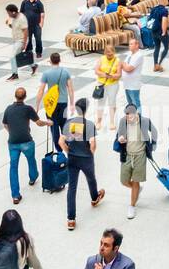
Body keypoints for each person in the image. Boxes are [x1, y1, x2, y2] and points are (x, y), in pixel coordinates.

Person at [61, 98, 104, 231]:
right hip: (85, 158)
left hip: (72, 158)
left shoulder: (68, 123)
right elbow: (93, 144)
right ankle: (94, 198)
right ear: (86, 110)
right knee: (91, 179)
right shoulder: (89, 124)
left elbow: (61, 142)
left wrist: (69, 152)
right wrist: (90, 154)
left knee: (72, 188)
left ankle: (71, 219)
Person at [3, 86, 48, 205]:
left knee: (13, 168)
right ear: (25, 97)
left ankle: (15, 196)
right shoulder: (28, 109)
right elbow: (38, 123)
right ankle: (33, 177)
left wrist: (11, 132)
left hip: (13, 143)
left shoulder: (8, 109)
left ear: (15, 96)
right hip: (27, 141)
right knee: (31, 160)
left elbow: (5, 124)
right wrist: (48, 123)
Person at [116, 101, 156, 220]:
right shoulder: (123, 121)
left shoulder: (144, 121)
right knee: (124, 180)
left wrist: (152, 146)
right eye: (127, 115)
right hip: (127, 155)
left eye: (131, 114)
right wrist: (120, 138)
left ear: (136, 113)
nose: (129, 117)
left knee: (136, 181)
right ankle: (136, 188)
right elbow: (119, 135)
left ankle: (132, 206)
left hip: (140, 155)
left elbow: (154, 132)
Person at [35, 51, 73, 152]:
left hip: (51, 105)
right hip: (63, 103)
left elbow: (41, 90)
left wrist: (37, 106)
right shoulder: (65, 72)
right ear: (59, 60)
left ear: (50, 61)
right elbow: (70, 89)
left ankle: (59, 151)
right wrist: (72, 104)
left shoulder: (46, 74)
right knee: (64, 126)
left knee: (53, 127)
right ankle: (68, 147)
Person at [93, 42, 122, 131]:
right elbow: (96, 71)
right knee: (100, 103)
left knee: (112, 102)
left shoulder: (117, 61)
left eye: (111, 53)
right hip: (102, 84)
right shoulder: (101, 59)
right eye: (108, 53)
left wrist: (112, 76)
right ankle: (99, 121)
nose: (109, 55)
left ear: (114, 52)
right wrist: (105, 75)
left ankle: (112, 122)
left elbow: (119, 74)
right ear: (105, 53)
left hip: (113, 85)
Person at [120, 35, 146, 111]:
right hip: (127, 84)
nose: (129, 46)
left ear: (137, 45)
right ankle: (132, 119)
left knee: (136, 103)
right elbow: (124, 65)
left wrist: (123, 65)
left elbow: (128, 68)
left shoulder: (139, 56)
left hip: (133, 85)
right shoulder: (130, 54)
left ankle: (139, 118)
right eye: (129, 44)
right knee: (130, 104)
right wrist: (124, 65)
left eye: (131, 44)